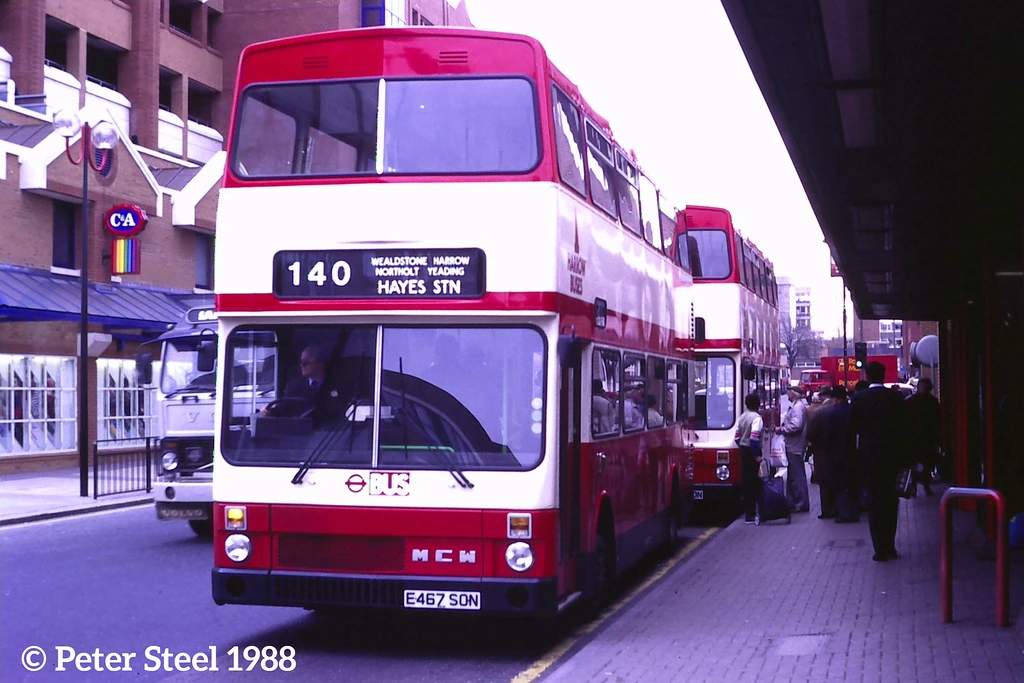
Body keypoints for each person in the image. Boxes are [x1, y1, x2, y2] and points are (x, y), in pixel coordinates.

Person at [848, 360, 909, 562]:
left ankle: (879, 549)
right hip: (892, 457)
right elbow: (904, 427)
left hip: (869, 457)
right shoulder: (896, 397)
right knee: (891, 501)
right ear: (884, 376)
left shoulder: (859, 398)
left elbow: (852, 429)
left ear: (867, 376)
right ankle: (890, 545)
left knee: (874, 502)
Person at [904, 377, 940, 495]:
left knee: (915, 463)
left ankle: (914, 486)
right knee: (926, 463)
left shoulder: (910, 401)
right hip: (926, 437)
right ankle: (924, 486)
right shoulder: (933, 401)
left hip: (914, 437)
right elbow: (937, 420)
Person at [779, 385, 810, 512]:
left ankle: (801, 503)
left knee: (797, 476)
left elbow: (796, 425)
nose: (787, 395)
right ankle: (793, 502)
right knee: (792, 475)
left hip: (795, 445)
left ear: (794, 394)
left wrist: (782, 430)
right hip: (793, 444)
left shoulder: (797, 408)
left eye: (789, 393)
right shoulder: (797, 406)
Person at [734, 392, 764, 523]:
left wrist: (742, 446)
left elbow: (737, 437)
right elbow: (754, 438)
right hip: (752, 451)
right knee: (754, 482)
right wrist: (756, 455)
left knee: (746, 482)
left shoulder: (742, 417)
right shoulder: (757, 418)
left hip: (743, 450)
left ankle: (748, 514)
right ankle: (755, 512)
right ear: (758, 405)